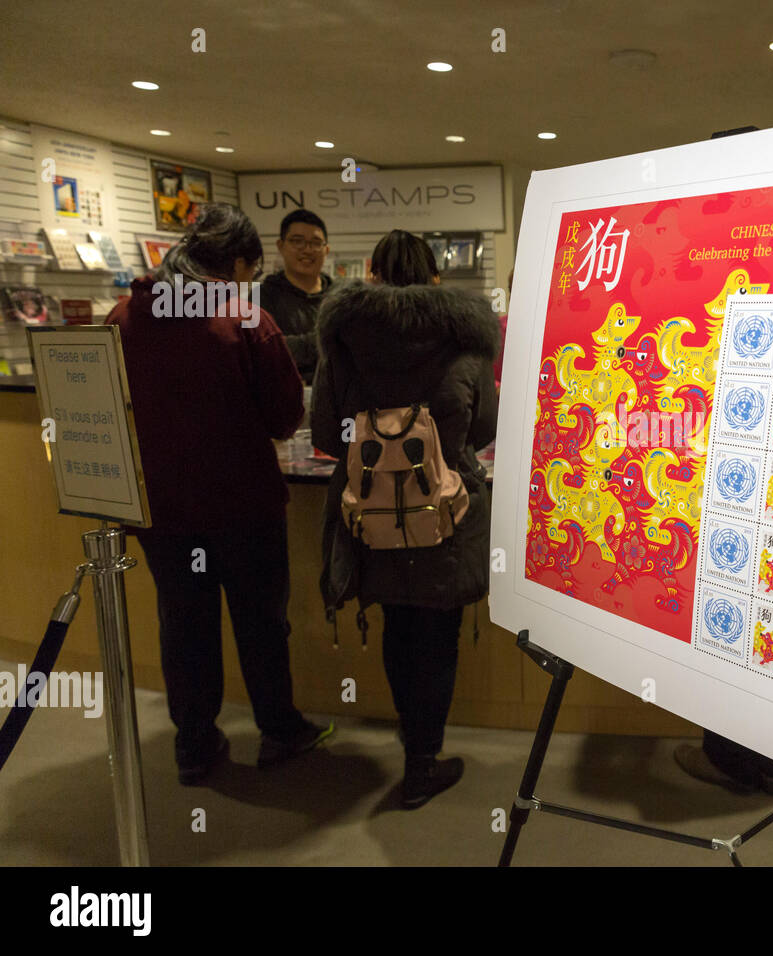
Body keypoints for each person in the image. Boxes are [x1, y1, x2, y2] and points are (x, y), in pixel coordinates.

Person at [107, 203, 333, 785]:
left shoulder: (124, 316)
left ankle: (193, 743)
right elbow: (285, 416)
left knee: (184, 624)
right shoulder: (245, 319)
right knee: (261, 623)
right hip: (242, 504)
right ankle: (279, 729)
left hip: (162, 508)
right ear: (236, 264)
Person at [312, 229, 499, 809]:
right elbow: (484, 430)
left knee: (397, 626)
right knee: (438, 634)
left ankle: (411, 741)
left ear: (372, 275)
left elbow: (327, 434)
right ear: (435, 277)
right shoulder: (465, 340)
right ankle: (424, 759)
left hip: (374, 514)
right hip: (445, 512)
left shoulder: (343, 341)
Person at [259, 209, 333, 381]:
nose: (307, 250)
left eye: (316, 243)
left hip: (336, 393)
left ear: (326, 250)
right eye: (297, 241)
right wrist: (326, 341)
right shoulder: (262, 295)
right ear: (281, 246)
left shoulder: (341, 296)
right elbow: (265, 351)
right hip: (284, 392)